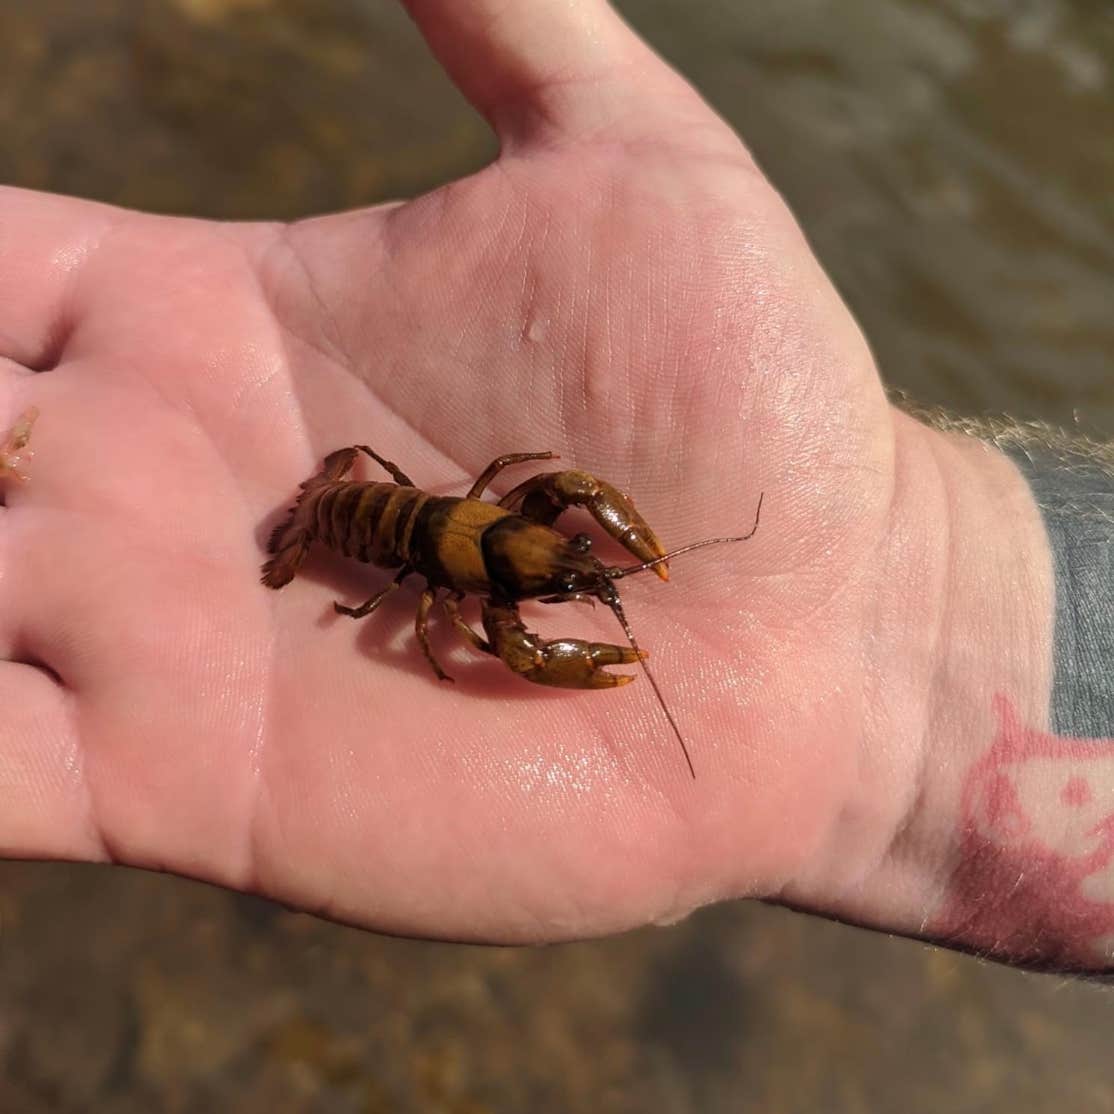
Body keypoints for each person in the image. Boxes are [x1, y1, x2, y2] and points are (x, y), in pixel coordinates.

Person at [0, 0, 1109, 974]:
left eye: (565, 568)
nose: (578, 568)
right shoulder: (460, 585)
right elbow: (451, 619)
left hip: (394, 516)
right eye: (573, 565)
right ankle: (318, 528)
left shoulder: (503, 538)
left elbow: (542, 497)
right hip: (366, 516)